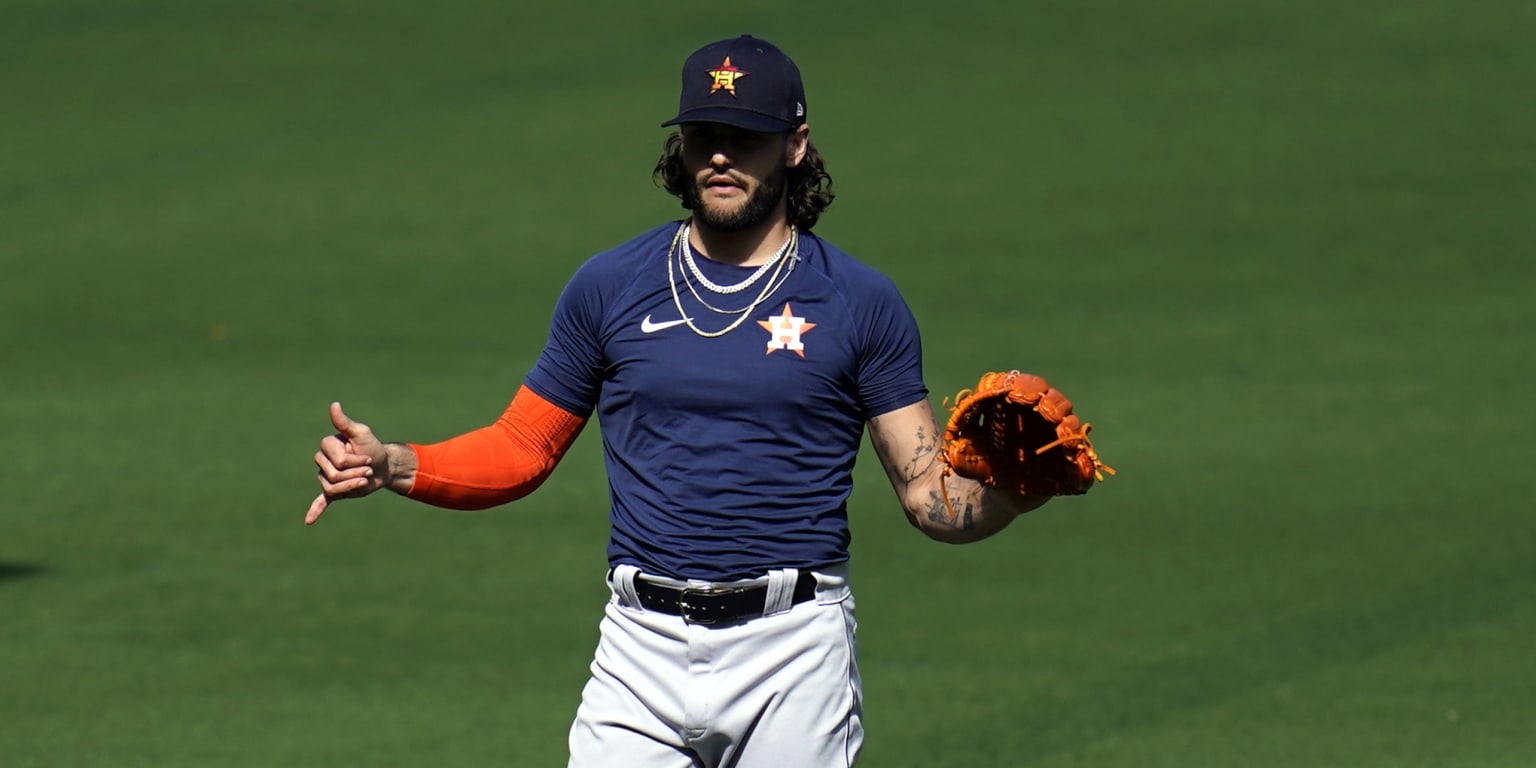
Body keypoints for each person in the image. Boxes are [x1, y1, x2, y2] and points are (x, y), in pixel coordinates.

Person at [307, 34, 1049, 768]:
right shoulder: (609, 286)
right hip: (640, 650)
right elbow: (521, 447)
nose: (721, 155)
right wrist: (394, 464)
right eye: (704, 136)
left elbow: (927, 495)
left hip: (791, 655)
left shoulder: (860, 302)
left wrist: (1016, 492)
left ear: (795, 146)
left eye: (746, 137)